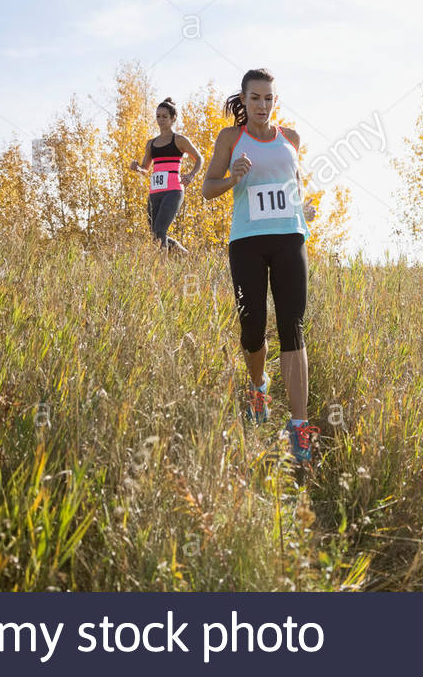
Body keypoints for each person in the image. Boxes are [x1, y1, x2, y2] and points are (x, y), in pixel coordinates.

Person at [201, 68, 320, 463]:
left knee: (293, 327)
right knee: (252, 328)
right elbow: (207, 190)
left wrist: (304, 210)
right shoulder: (230, 138)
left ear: (275, 100)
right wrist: (232, 178)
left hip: (290, 239)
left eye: (269, 98)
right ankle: (258, 386)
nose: (262, 105)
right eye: (255, 98)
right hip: (247, 242)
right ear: (244, 99)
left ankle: (299, 428)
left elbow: (294, 185)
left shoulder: (291, 138)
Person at [130, 97, 201, 254]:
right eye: (158, 116)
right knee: (155, 236)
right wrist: (137, 168)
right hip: (155, 192)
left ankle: (163, 268)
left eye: (164, 117)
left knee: (160, 231)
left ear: (173, 118)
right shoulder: (151, 143)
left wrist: (191, 175)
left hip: (174, 190)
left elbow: (199, 159)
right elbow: (145, 168)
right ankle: (185, 256)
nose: (160, 120)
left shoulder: (180, 140)